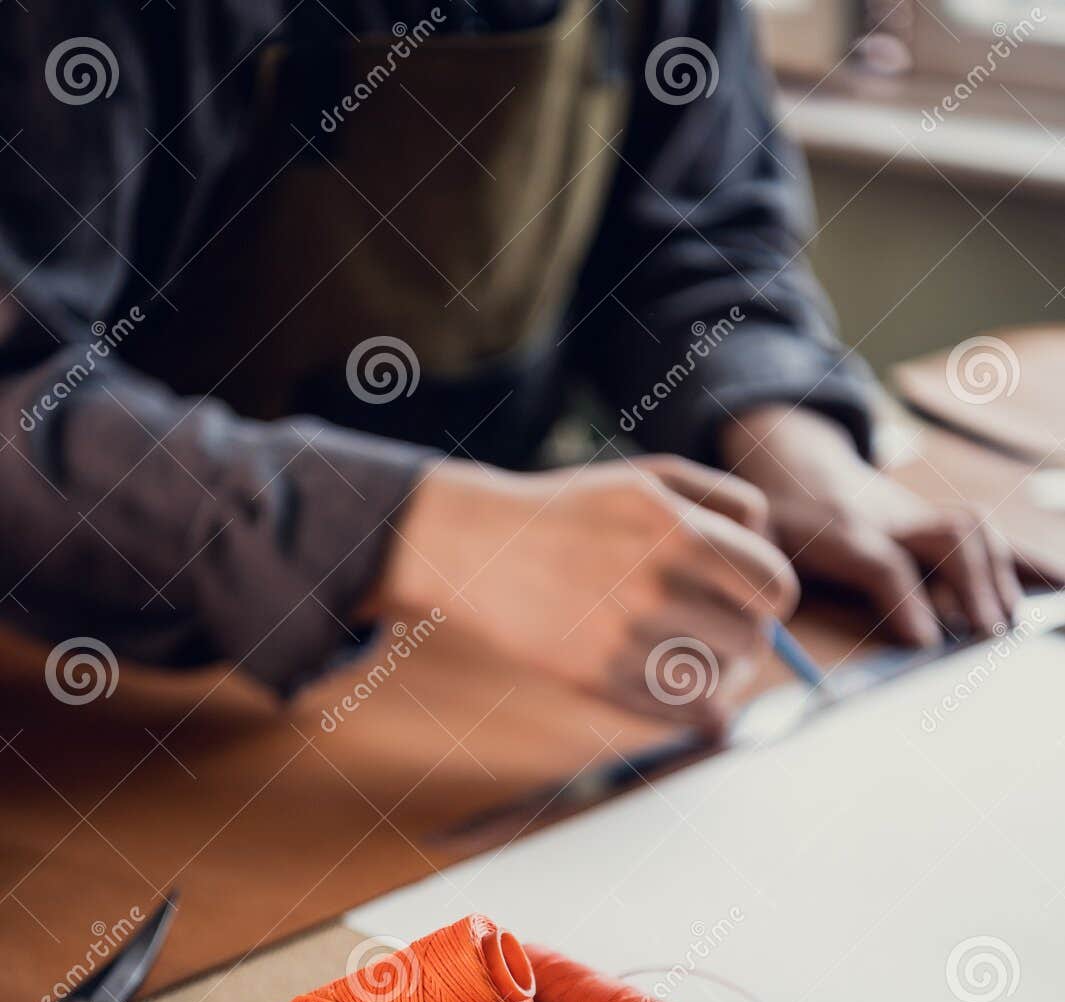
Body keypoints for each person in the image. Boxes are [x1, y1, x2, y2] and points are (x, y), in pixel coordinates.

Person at [0, 0, 1047, 737]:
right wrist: (432, 532)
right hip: (102, 688)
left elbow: (691, 238)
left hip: (488, 654)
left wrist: (791, 450)